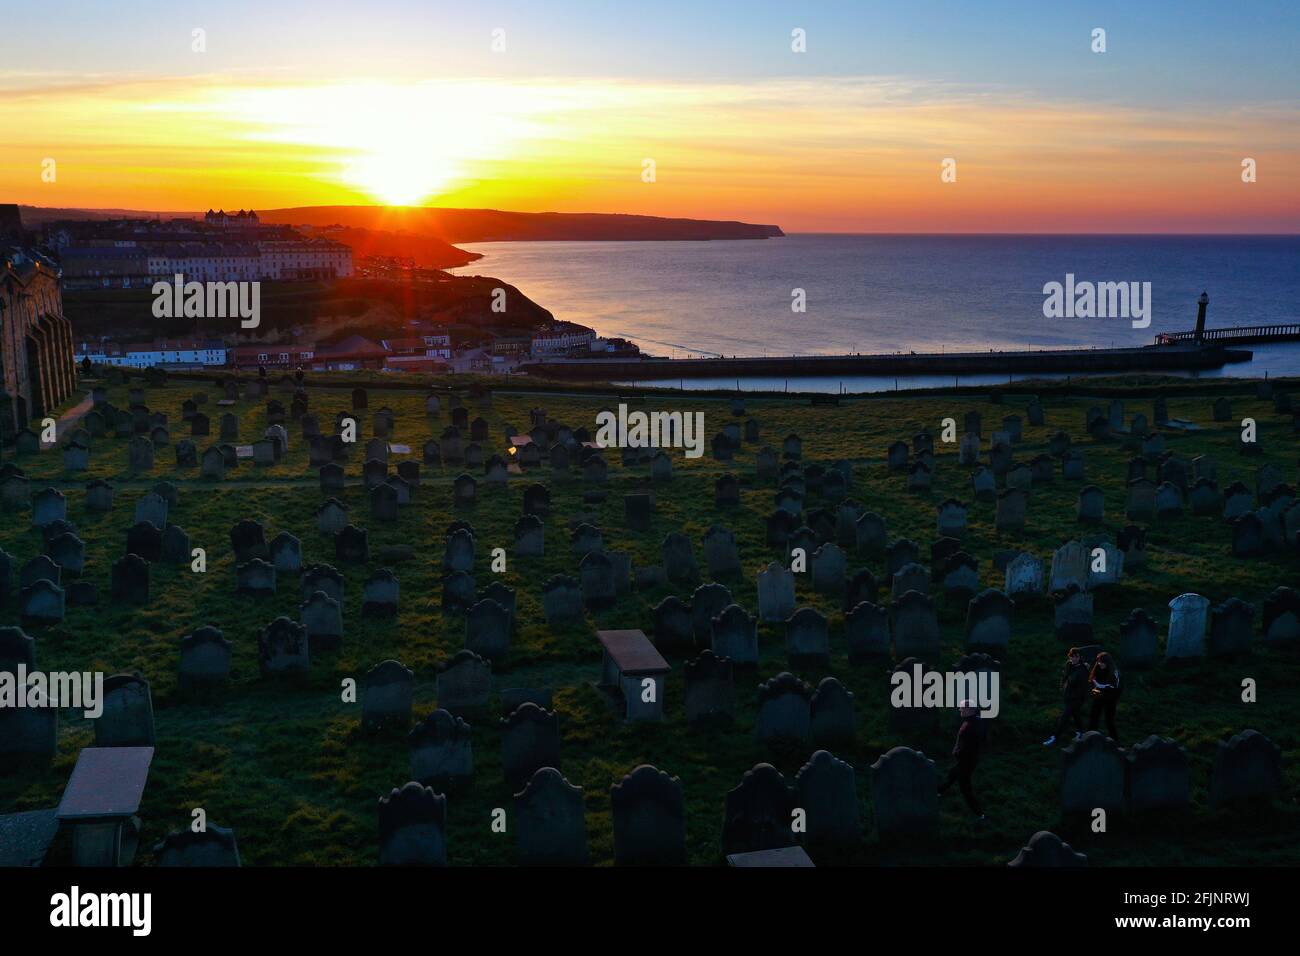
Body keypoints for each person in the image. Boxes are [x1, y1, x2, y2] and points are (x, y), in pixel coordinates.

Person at [937, 700, 986, 820]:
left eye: (962, 708)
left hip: (966, 762)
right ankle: (938, 792)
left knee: (965, 789)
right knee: (952, 775)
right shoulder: (976, 721)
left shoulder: (969, 725)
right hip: (968, 760)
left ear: (970, 710)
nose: (960, 709)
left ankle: (979, 814)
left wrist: (958, 754)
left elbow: (967, 746)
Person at [1042, 647, 1089, 747]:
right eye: (1072, 656)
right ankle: (1081, 732)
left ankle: (1055, 738)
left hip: (1076, 699)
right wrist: (1062, 687)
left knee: (1064, 718)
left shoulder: (1083, 670)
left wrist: (1074, 698)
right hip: (1067, 696)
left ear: (1080, 657)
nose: (1074, 659)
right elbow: (1064, 677)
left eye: (1076, 656)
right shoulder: (1069, 664)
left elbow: (1082, 688)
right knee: (1075, 714)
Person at [1088, 651, 1122, 741]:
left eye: (1102, 662)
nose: (1100, 664)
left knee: (1109, 721)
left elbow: (1117, 689)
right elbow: (1092, 681)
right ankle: (1090, 738)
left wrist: (1107, 695)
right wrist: (1094, 690)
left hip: (1110, 700)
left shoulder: (1114, 673)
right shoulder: (1097, 669)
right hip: (1098, 697)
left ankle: (1115, 741)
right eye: (1098, 662)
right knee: (1093, 717)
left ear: (1107, 662)